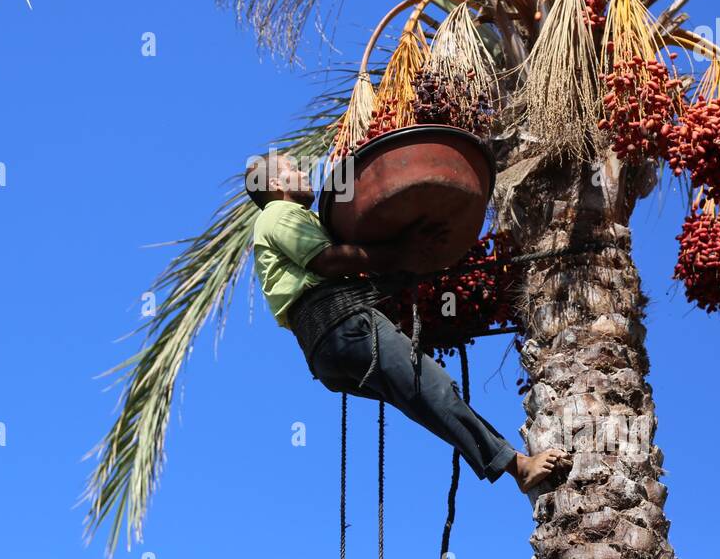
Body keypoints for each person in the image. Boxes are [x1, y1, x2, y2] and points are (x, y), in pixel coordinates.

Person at [244, 150, 569, 492]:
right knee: (433, 389)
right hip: (345, 326)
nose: (305, 172)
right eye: (294, 169)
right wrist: (405, 252)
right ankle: (517, 466)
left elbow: (340, 277)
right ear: (277, 183)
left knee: (423, 399)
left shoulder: (286, 222)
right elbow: (328, 262)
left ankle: (512, 462)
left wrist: (403, 271)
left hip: (326, 354)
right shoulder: (280, 213)